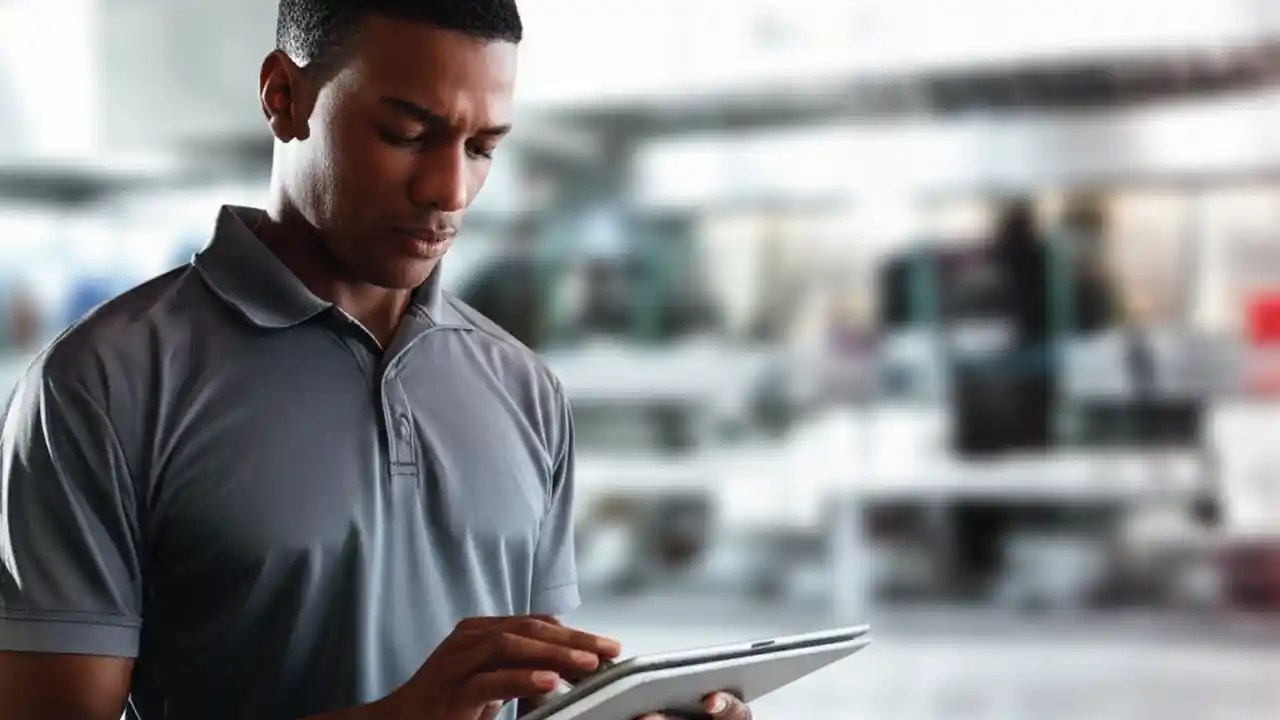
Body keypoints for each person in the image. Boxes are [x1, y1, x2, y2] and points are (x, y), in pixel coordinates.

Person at [0, 3, 753, 720]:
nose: (449, 190)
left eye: (483, 147)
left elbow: (532, 694)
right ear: (284, 96)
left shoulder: (525, 388)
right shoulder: (100, 386)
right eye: (406, 134)